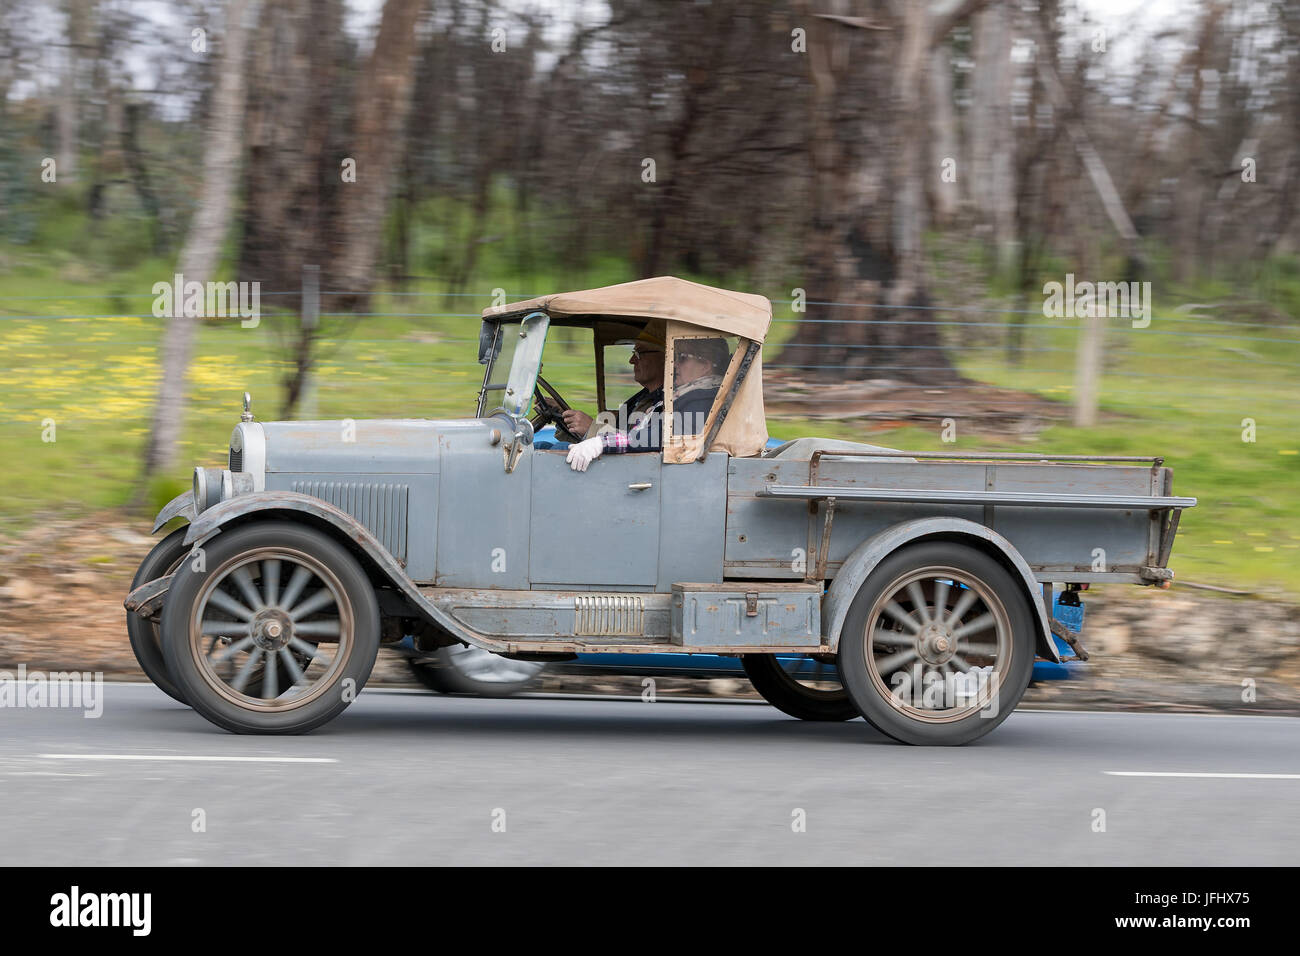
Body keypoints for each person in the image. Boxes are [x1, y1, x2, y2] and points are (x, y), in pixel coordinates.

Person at [567, 337, 730, 471]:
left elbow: (662, 435)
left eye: (682, 358)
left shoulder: (704, 399)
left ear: (705, 366)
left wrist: (601, 442)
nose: (674, 364)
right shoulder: (686, 394)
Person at [555, 325, 665, 439]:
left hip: (624, 456)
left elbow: (641, 443)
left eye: (639, 353)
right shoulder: (642, 398)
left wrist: (592, 428)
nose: (631, 360)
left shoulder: (668, 404)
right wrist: (564, 416)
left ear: (665, 357)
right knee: (543, 445)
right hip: (610, 454)